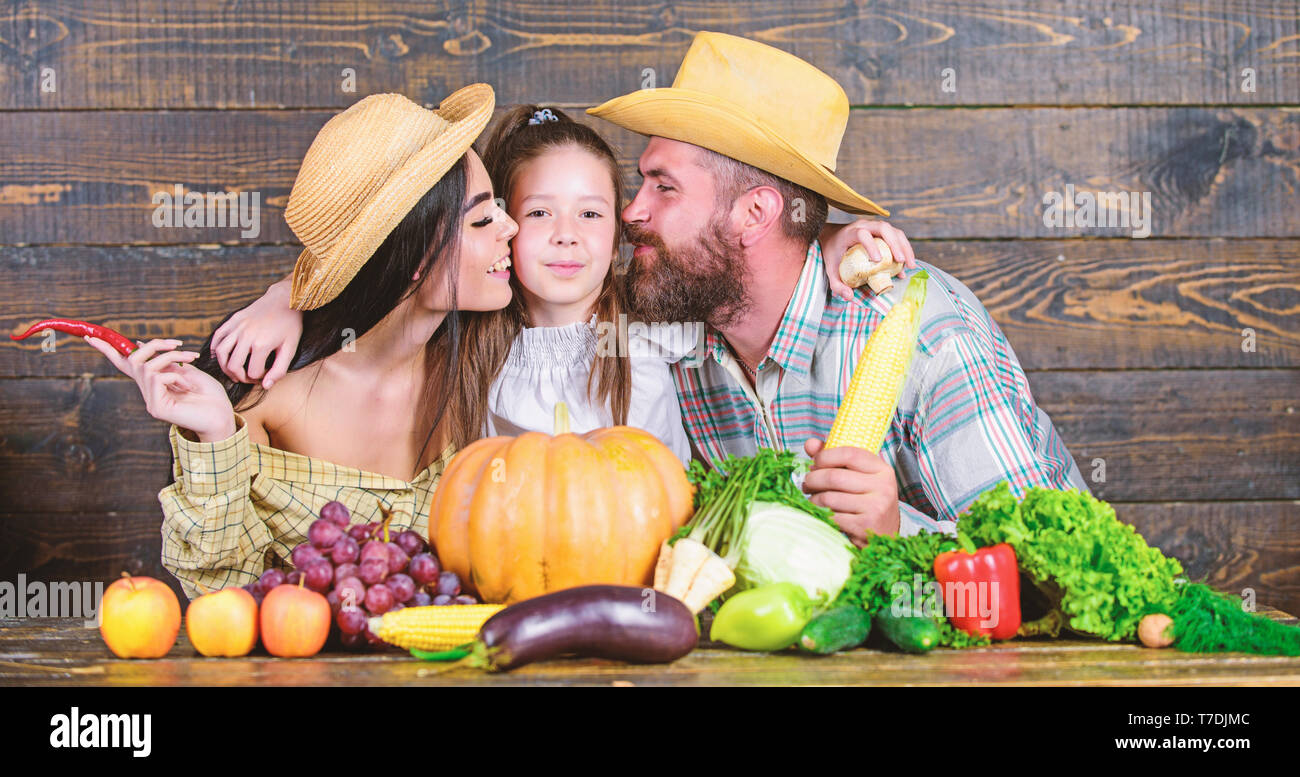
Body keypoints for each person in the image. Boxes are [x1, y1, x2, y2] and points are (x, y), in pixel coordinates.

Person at [584, 31, 1088, 544]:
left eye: (664, 187)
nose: (632, 211)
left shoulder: (923, 333)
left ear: (755, 214)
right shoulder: (670, 318)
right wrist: (819, 234)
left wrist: (896, 530)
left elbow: (1048, 556)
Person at [211, 106, 912, 466]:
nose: (566, 235)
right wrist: (288, 301)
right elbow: (392, 266)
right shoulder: (478, 328)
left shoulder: (650, 316)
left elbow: (742, 271)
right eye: (538, 213)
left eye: (592, 214)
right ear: (502, 228)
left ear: (620, 231)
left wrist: (821, 239)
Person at [86, 86, 519, 598]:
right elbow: (225, 595)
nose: (510, 227)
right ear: (414, 257)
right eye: (483, 218)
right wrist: (218, 434)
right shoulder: (267, 394)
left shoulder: (487, 349)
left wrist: (285, 294)